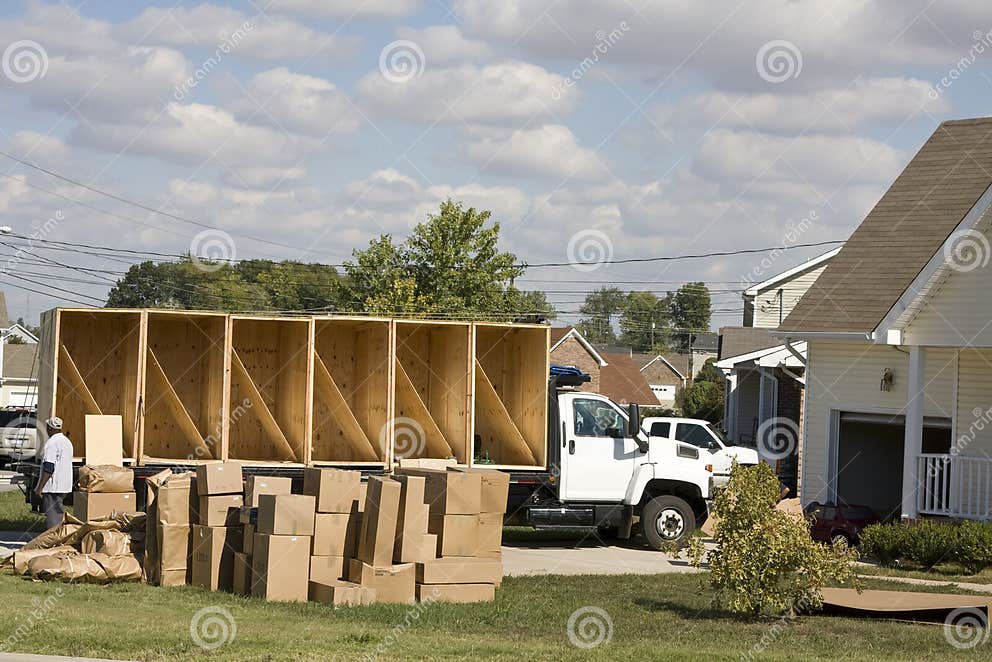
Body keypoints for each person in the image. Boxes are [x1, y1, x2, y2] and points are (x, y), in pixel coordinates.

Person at [34, 417, 73, 529]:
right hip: (64, 485)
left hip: (53, 486)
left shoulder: (51, 443)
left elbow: (49, 467)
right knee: (58, 513)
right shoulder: (67, 442)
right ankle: (58, 539)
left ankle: (53, 542)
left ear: (50, 428)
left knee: (53, 518)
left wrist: (39, 488)